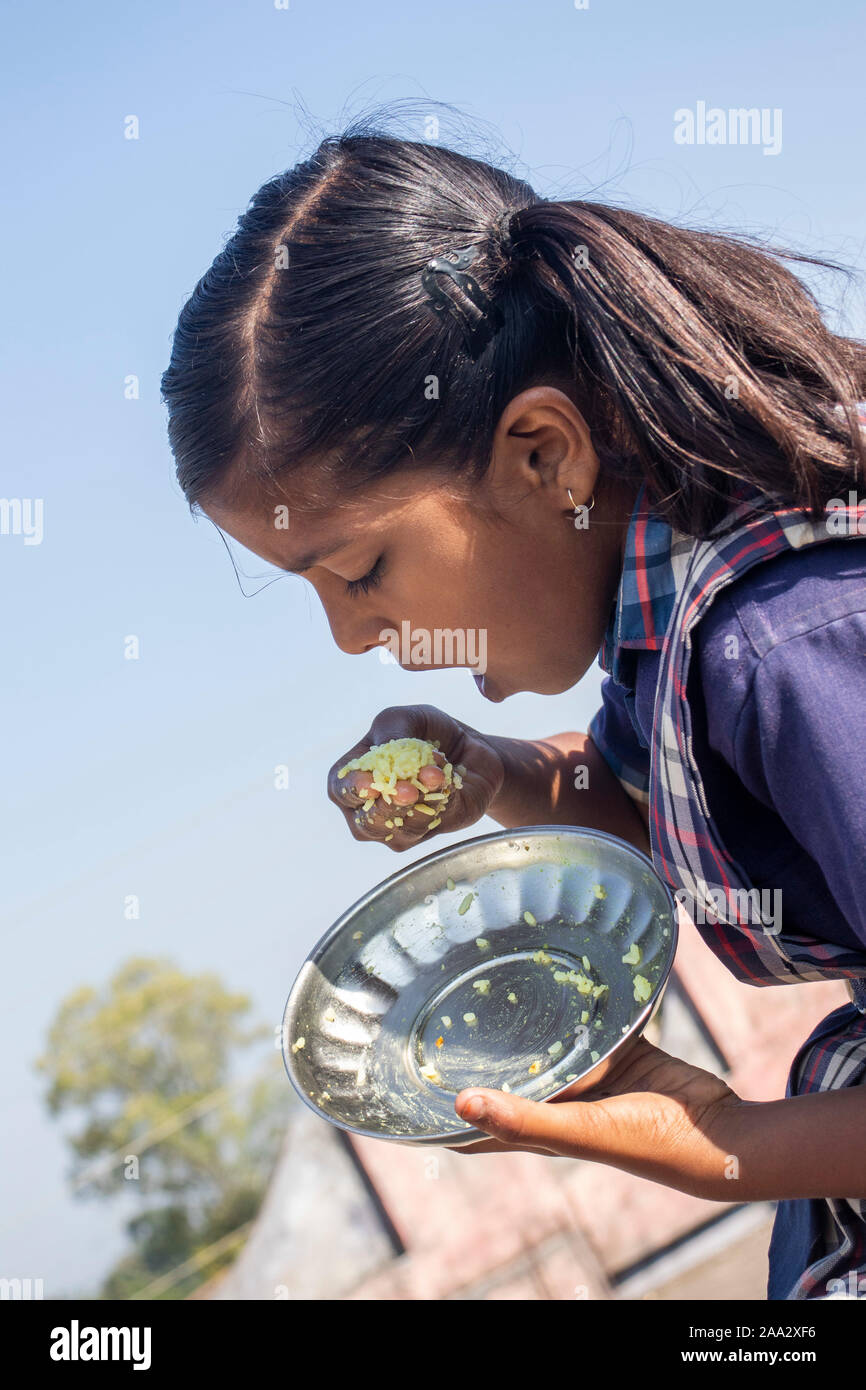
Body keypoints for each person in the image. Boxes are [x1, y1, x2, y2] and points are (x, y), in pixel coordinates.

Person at [161, 127, 866, 1300]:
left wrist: (720, 1142)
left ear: (542, 457)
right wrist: (496, 775)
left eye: (361, 569)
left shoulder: (785, 638)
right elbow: (667, 817)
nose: (350, 636)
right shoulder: (669, 627)